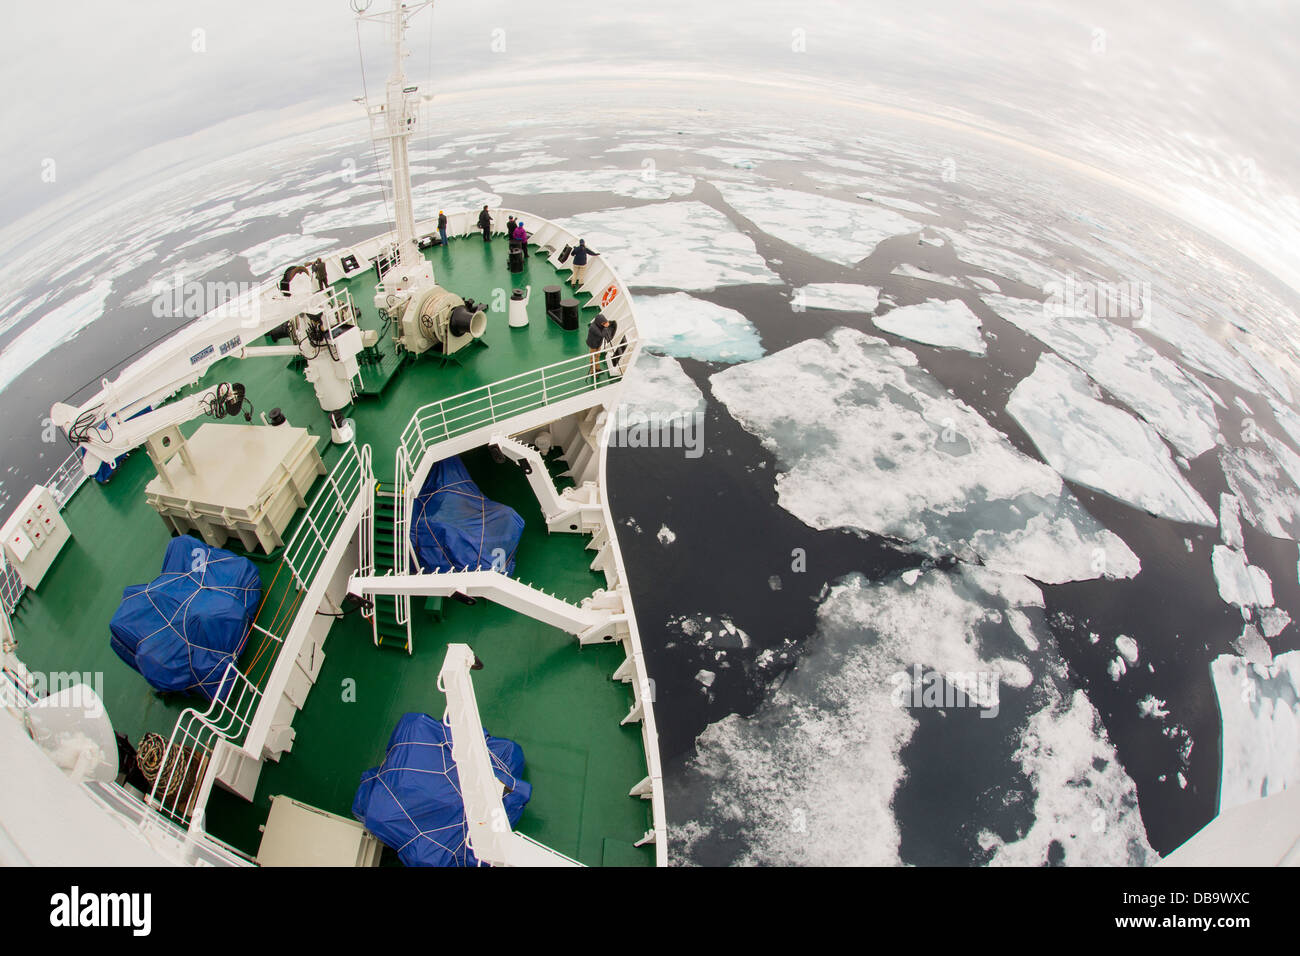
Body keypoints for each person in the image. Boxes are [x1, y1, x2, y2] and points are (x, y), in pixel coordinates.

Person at [586, 312, 615, 377]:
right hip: (593, 345)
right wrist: (606, 327)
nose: (604, 324)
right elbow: (601, 335)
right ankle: (592, 372)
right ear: (599, 322)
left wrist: (605, 326)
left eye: (604, 322)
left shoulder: (600, 325)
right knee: (593, 358)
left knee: (597, 356)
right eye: (603, 323)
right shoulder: (593, 327)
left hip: (598, 343)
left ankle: (597, 368)